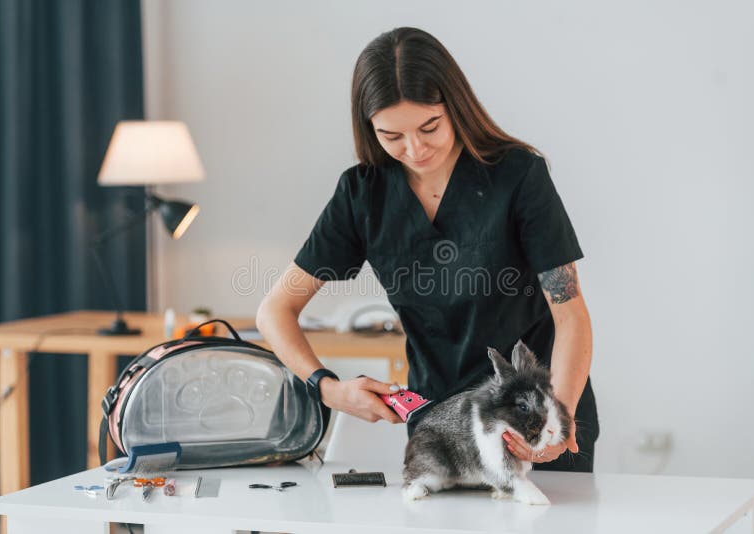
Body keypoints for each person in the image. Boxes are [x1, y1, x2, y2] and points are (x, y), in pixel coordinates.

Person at [256, 27, 599, 472]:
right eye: (391, 135)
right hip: (442, 430)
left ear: (454, 106)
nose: (414, 149)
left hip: (536, 422)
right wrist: (329, 388)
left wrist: (560, 418)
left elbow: (569, 314)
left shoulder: (518, 176)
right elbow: (274, 310)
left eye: (429, 127)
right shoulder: (362, 196)